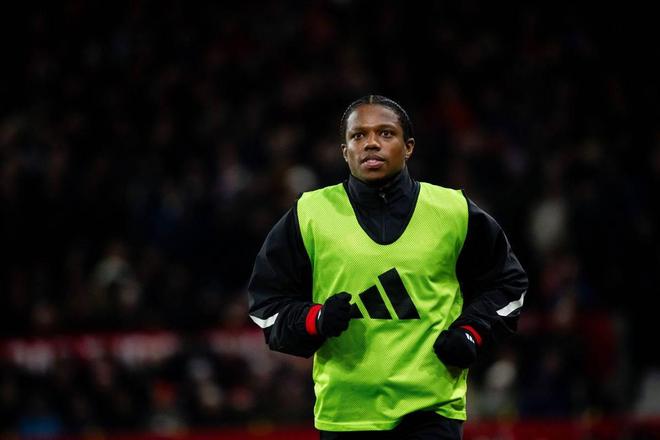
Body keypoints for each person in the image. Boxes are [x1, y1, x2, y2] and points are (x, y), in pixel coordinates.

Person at [247, 95, 528, 439]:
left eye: (385, 133)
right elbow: (266, 306)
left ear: (409, 147)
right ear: (345, 151)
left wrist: (472, 331)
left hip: (431, 413)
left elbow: (508, 285)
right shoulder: (310, 214)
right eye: (358, 135)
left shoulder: (453, 211)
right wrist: (315, 320)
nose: (371, 143)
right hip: (345, 416)